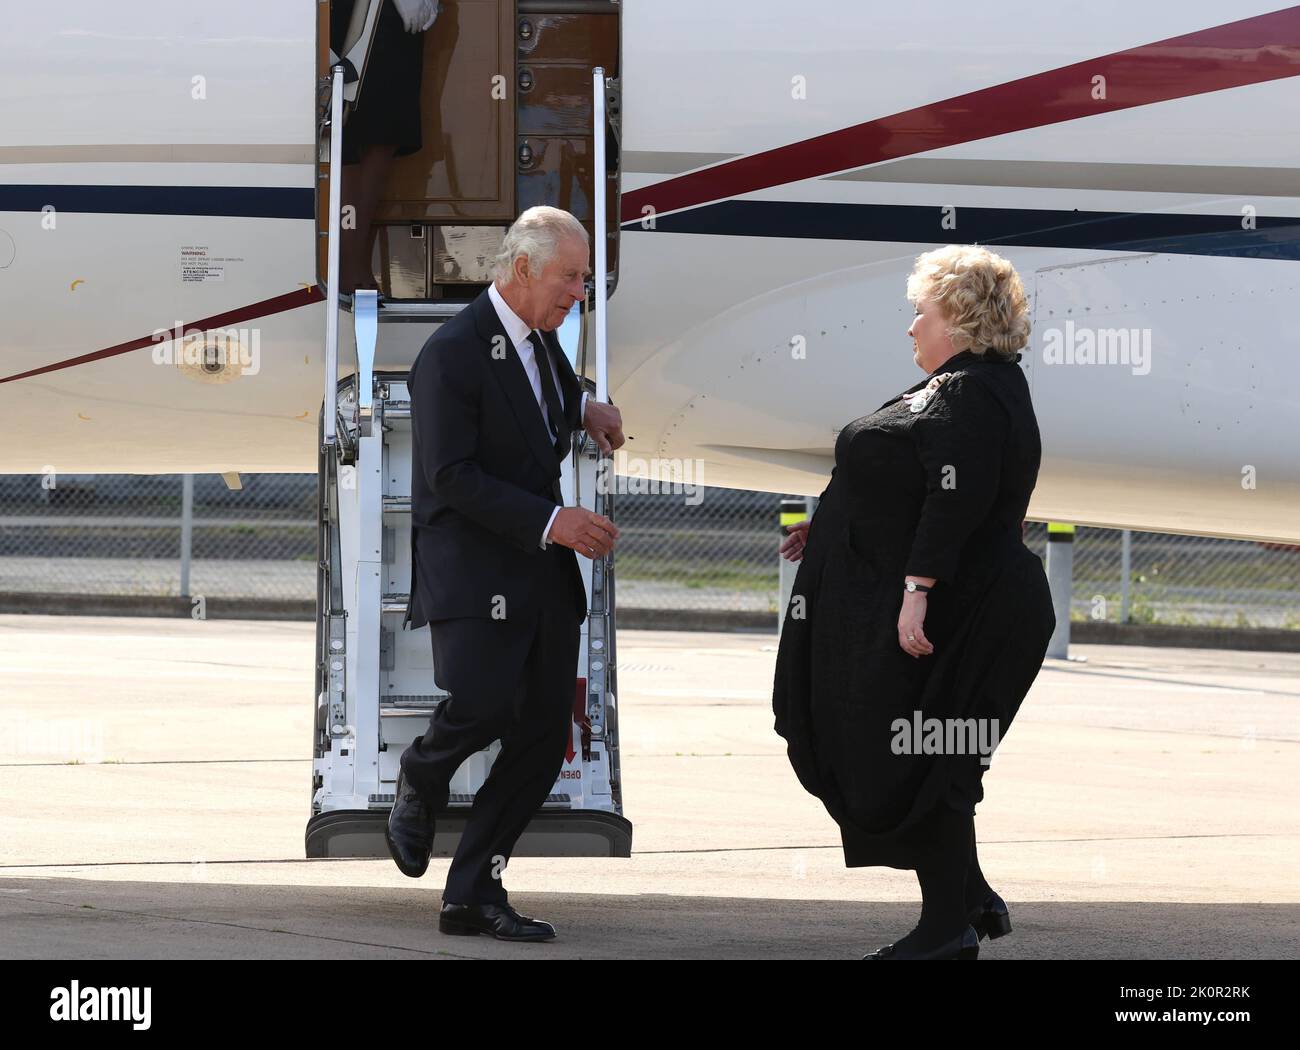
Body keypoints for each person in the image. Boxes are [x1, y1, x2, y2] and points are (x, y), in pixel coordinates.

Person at [771, 244, 1056, 960]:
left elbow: (954, 503)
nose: (910, 329)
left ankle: (945, 929)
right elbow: (914, 482)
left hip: (967, 611)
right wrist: (834, 525)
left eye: (920, 314)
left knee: (930, 756)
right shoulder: (968, 388)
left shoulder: (969, 393)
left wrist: (916, 595)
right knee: (938, 754)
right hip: (967, 603)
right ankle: (972, 899)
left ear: (957, 318)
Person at [389, 206, 626, 942]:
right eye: (570, 277)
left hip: (540, 576)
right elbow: (450, 476)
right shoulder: (451, 353)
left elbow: (541, 394)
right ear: (522, 269)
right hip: (475, 569)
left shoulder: (540, 338)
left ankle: (472, 894)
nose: (578, 293)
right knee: (486, 706)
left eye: (584, 279)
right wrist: (555, 522)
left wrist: (583, 405)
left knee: (540, 737)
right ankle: (423, 775)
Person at [329, 0, 440, 293]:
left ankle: (353, 261)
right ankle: (346, 267)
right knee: (344, 130)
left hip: (390, 17)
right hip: (343, 11)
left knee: (385, 132)